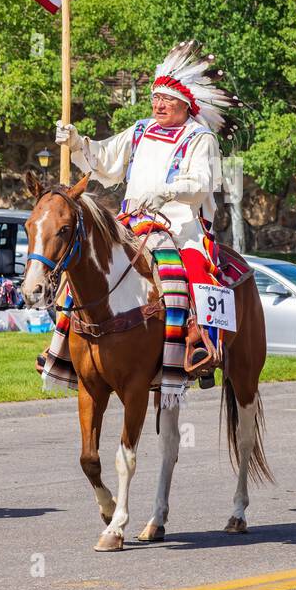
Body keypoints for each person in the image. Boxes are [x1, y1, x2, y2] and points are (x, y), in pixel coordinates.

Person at [54, 40, 237, 371]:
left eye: (167, 98)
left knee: (195, 270)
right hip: (131, 222)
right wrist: (77, 142)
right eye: (155, 97)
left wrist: (167, 192)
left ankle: (201, 341)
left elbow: (204, 182)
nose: (159, 104)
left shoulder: (200, 138)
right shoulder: (140, 131)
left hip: (179, 225)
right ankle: (64, 343)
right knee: (85, 262)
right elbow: (106, 161)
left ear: (185, 103)